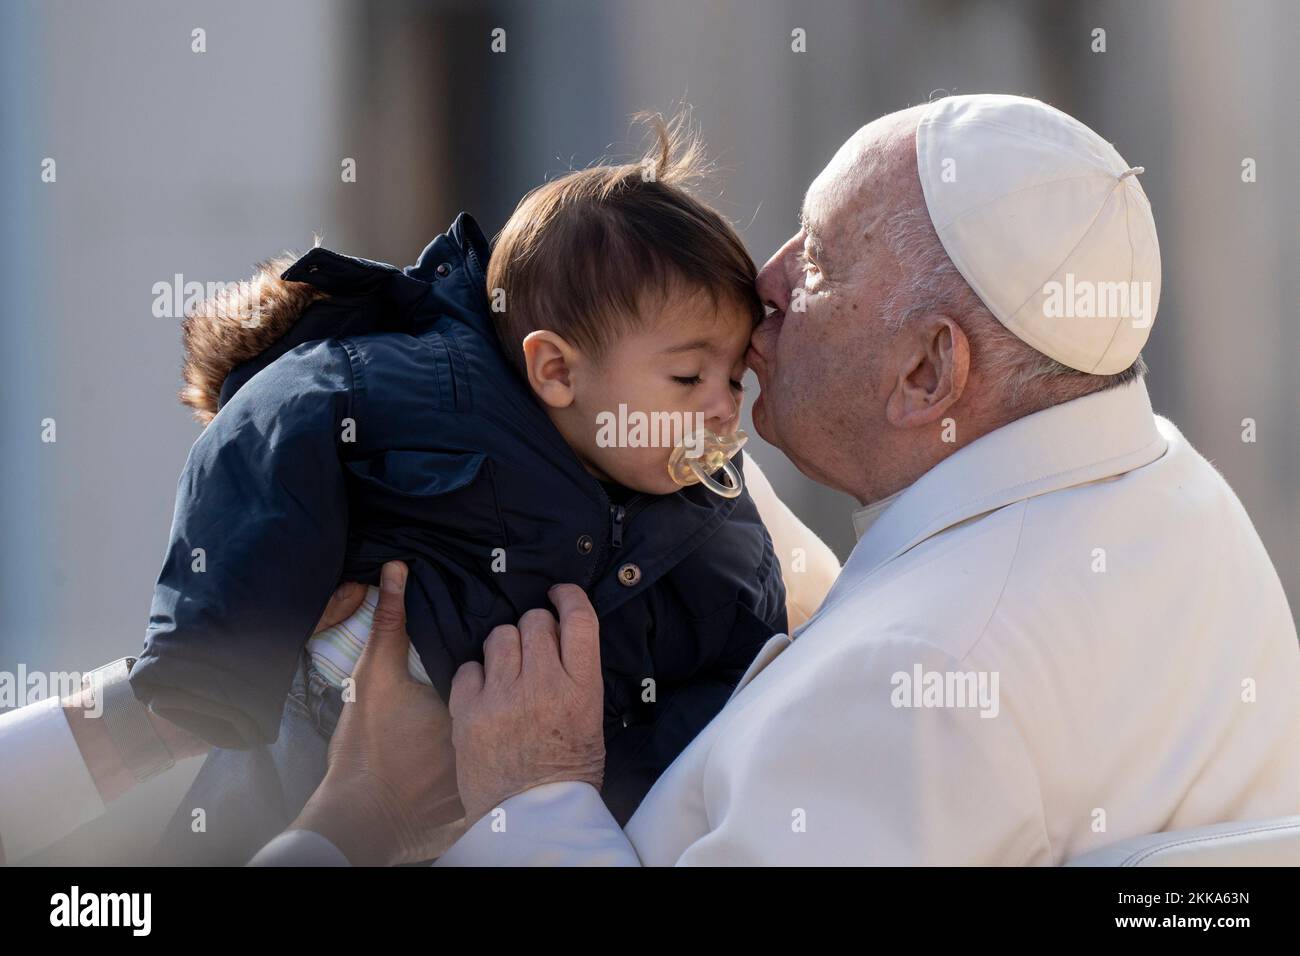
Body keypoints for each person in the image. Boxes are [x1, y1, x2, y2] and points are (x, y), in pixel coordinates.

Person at [257, 93, 1300, 866]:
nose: (763, 278)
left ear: (927, 371)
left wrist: (530, 798)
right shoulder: (1164, 482)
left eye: (819, 260)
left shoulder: (915, 679)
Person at [128, 112, 838, 864]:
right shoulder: (427, 396)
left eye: (734, 377)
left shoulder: (716, 523)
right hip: (306, 728)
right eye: (689, 376)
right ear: (556, 370)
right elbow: (265, 430)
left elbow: (726, 688)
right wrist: (217, 662)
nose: (725, 405)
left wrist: (609, 796)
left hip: (508, 817)